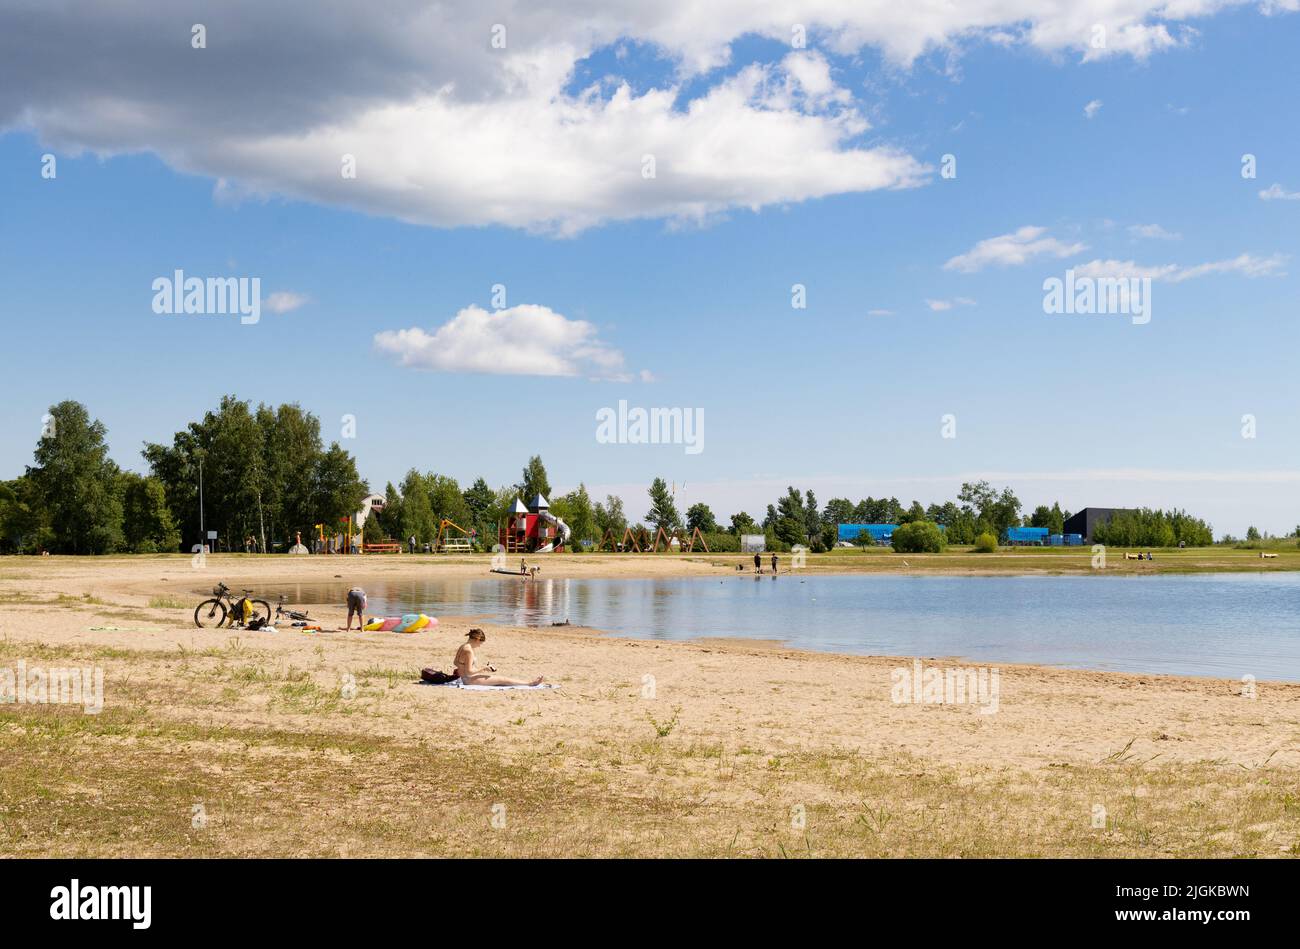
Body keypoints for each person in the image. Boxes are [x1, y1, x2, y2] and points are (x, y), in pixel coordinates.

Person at [454, 628, 543, 686]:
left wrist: (462, 667)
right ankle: (530, 683)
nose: (480, 646)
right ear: (477, 639)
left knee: (499, 679)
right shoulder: (469, 651)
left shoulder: (463, 646)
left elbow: (455, 662)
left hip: (464, 678)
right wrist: (483, 668)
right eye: (480, 643)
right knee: (502, 679)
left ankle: (529, 683)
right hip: (469, 680)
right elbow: (469, 672)